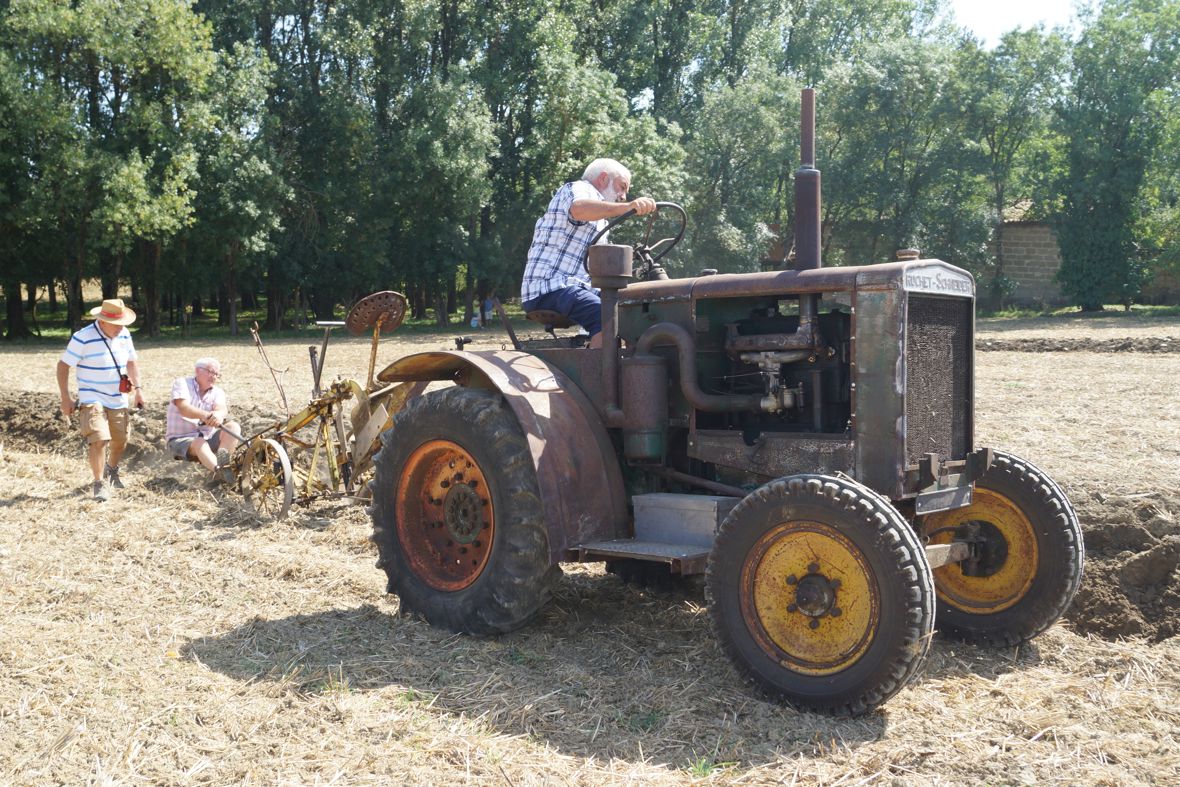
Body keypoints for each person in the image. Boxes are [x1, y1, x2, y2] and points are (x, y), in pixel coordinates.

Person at [521, 158, 656, 348]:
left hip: (575, 286)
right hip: (549, 286)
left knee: (631, 313)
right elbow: (579, 209)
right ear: (603, 178)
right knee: (607, 320)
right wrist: (629, 207)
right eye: (622, 186)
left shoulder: (600, 219)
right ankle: (603, 376)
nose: (623, 196)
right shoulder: (577, 189)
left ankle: (635, 368)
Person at [56, 298, 146, 502]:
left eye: (123, 323)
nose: (121, 328)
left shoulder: (124, 334)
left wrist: (138, 390)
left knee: (120, 441)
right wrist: (66, 397)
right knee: (99, 437)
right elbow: (63, 367)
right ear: (102, 321)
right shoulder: (82, 337)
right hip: (91, 395)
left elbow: (132, 363)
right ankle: (99, 483)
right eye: (117, 324)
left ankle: (111, 469)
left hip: (118, 397)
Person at [165, 357, 240, 484]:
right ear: (197, 371)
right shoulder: (182, 383)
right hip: (179, 440)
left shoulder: (218, 392)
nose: (214, 376)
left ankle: (223, 465)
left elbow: (222, 409)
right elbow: (184, 408)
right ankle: (220, 472)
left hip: (206, 438)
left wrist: (218, 415)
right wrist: (205, 416)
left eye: (217, 374)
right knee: (199, 442)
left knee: (233, 427)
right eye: (211, 371)